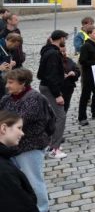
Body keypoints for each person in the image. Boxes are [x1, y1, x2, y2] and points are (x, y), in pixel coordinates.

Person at [0, 68, 52, 211]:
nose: (7, 86)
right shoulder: (6, 99)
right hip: (11, 147)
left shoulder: (34, 98)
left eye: (11, 82)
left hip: (30, 146)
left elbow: (19, 121)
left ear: (22, 83)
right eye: (7, 82)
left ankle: (42, 208)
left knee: (34, 180)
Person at [36, 30, 68, 160]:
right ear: (60, 39)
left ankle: (52, 144)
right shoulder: (53, 54)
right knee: (61, 116)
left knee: (54, 116)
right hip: (50, 88)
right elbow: (50, 76)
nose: (65, 41)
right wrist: (57, 95)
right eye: (64, 39)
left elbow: (41, 73)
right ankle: (54, 148)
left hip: (47, 86)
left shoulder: (47, 51)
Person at [0, 110, 38, 211]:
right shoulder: (4, 170)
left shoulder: (5, 158)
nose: (22, 133)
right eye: (19, 128)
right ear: (3, 128)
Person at [77, 25, 95, 125]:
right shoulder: (86, 46)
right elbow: (82, 61)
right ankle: (82, 117)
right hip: (89, 75)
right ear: (89, 35)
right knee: (85, 96)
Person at [60, 44, 80, 114]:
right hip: (58, 88)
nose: (63, 53)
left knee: (66, 106)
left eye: (64, 51)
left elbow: (77, 70)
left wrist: (74, 73)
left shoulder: (69, 60)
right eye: (61, 51)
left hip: (68, 87)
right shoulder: (53, 61)